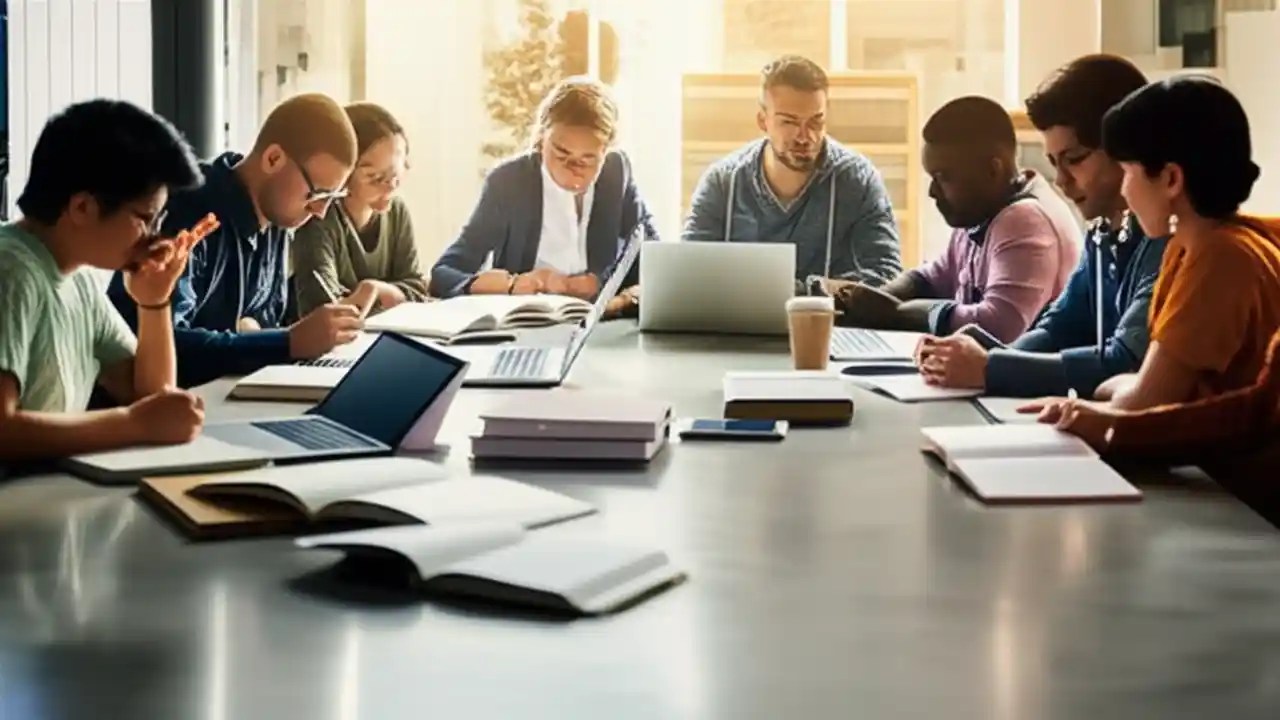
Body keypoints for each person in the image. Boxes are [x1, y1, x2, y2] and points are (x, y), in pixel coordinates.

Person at [1025, 76, 1280, 418]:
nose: (1125, 191)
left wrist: (1092, 400)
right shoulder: (1189, 247)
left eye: (1129, 173)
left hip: (1223, 469)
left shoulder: (1219, 257)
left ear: (1171, 179)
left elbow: (1143, 403)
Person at [916, 55, 1166, 397]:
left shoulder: (1170, 241)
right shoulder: (1103, 232)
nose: (1061, 181)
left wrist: (991, 367)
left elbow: (1124, 362)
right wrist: (984, 356)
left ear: (1127, 148)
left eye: (1074, 159)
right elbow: (1058, 328)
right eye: (1054, 163)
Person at [0, 99, 209, 462]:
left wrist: (153, 301)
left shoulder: (77, 280)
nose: (154, 238)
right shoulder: (11, 271)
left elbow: (151, 399)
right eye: (146, 219)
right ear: (82, 207)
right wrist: (131, 424)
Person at [107, 93, 362, 389]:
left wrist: (262, 337)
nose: (320, 212)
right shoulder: (187, 212)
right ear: (273, 158)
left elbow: (259, 325)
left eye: (332, 198)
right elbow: (163, 344)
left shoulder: (277, 216)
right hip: (144, 413)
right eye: (316, 194)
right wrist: (287, 342)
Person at [830, 96, 1079, 343]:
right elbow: (932, 278)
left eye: (944, 177)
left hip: (1029, 382)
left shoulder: (1025, 221)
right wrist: (874, 299)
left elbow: (998, 326)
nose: (932, 192)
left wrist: (895, 314)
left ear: (993, 170)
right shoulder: (982, 209)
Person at [430, 76, 654, 316]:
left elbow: (656, 267)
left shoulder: (616, 173)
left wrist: (616, 301)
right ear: (541, 139)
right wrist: (513, 284)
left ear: (606, 152)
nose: (573, 169)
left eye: (588, 160)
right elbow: (444, 274)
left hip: (600, 329)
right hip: (524, 326)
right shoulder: (509, 181)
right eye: (561, 153)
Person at [682, 54, 902, 292]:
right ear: (762, 121)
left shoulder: (858, 181)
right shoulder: (723, 182)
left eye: (816, 122)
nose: (804, 136)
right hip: (740, 326)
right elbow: (689, 271)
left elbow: (887, 276)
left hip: (832, 326)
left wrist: (798, 292)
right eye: (789, 122)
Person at [291, 102, 428, 317]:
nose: (390, 186)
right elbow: (320, 308)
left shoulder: (397, 212)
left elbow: (419, 289)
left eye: (396, 175)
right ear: (343, 174)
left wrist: (380, 290)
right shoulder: (318, 217)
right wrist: (392, 297)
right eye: (375, 177)